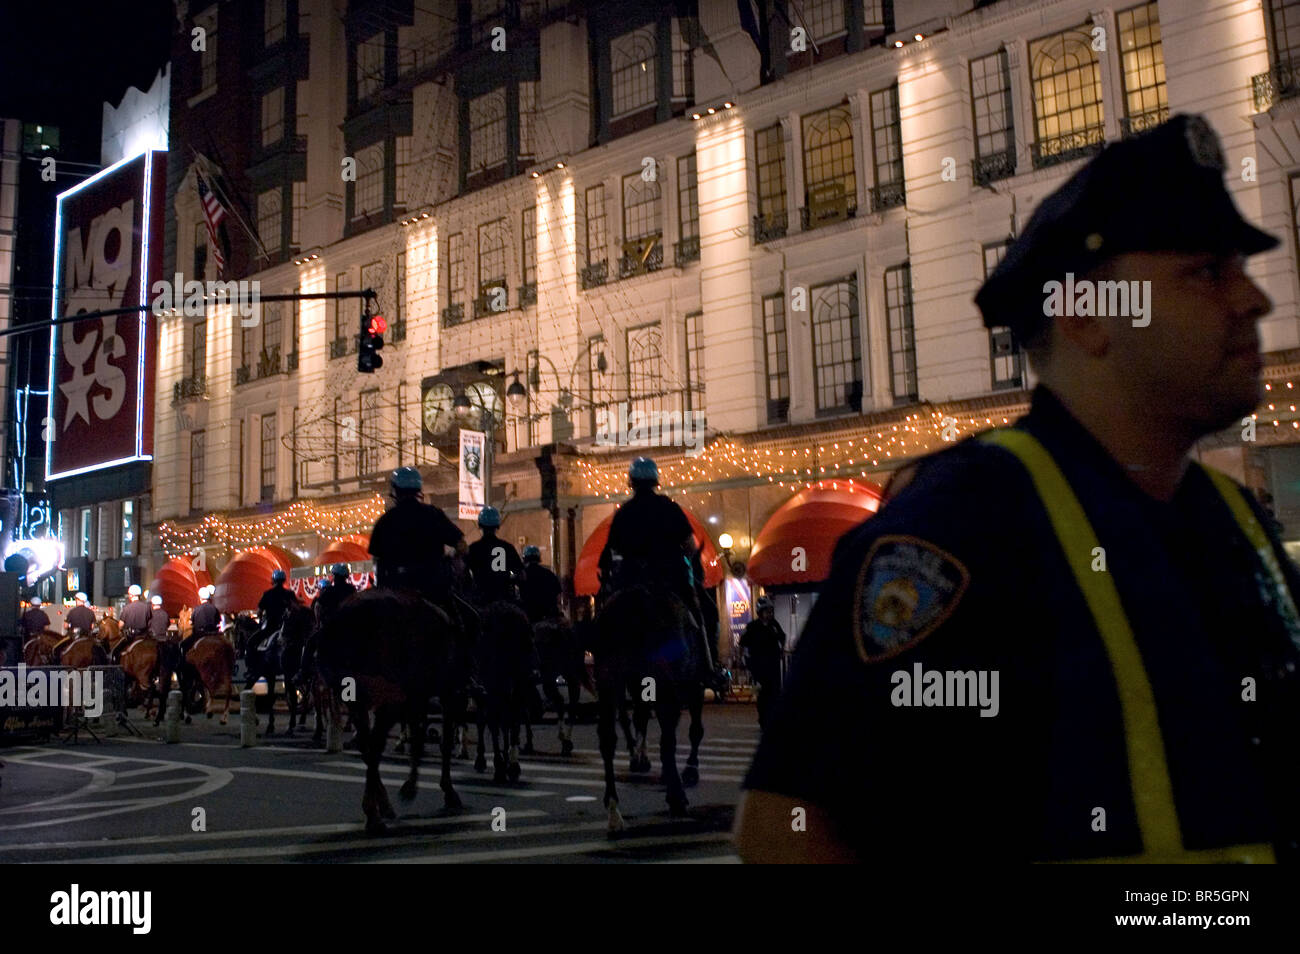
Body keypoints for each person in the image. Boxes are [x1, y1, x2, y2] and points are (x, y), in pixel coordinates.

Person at [736, 114, 1300, 864]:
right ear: (1085, 318)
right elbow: (789, 829)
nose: (1252, 301)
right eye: (1205, 272)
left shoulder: (1232, 518)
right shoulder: (963, 526)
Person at [598, 457, 713, 684]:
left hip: (630, 581)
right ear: (655, 481)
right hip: (670, 579)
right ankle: (708, 665)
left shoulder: (624, 513)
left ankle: (604, 670)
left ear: (631, 482)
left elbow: (608, 554)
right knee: (704, 613)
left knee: (604, 621)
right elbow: (690, 546)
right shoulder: (669, 508)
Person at [369, 466, 479, 687]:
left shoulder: (386, 521)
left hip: (395, 590)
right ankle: (468, 675)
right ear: (418, 489)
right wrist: (451, 559)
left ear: (395, 491)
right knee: (469, 622)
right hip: (433, 588)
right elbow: (462, 545)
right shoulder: (433, 514)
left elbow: (377, 561)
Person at [739, 596, 787, 730]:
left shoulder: (774, 625)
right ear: (760, 612)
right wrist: (743, 661)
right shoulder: (752, 627)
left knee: (775, 694)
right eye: (767, 611)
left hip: (773, 667)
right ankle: (763, 719)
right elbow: (742, 644)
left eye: (771, 611)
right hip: (758, 668)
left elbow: (782, 637)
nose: (770, 614)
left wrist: (781, 649)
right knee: (762, 695)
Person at [466, 507, 525, 607]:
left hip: (481, 600)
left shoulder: (473, 548)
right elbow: (521, 574)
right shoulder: (508, 547)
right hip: (504, 599)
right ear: (497, 525)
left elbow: (463, 571)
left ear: (480, 525)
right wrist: (509, 577)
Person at [519, 545, 563, 625]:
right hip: (547, 616)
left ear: (524, 558)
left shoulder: (522, 575)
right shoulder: (549, 574)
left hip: (528, 616)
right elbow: (558, 596)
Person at [256, 569, 299, 640]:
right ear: (284, 580)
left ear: (273, 580)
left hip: (270, 627)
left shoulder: (267, 594)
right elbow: (296, 609)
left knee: (251, 644)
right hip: (287, 627)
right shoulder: (290, 594)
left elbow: (259, 612)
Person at [313, 563, 357, 628]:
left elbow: (317, 607)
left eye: (333, 575)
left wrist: (318, 623)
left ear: (335, 576)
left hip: (333, 627)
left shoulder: (330, 590)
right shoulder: (352, 589)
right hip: (350, 625)